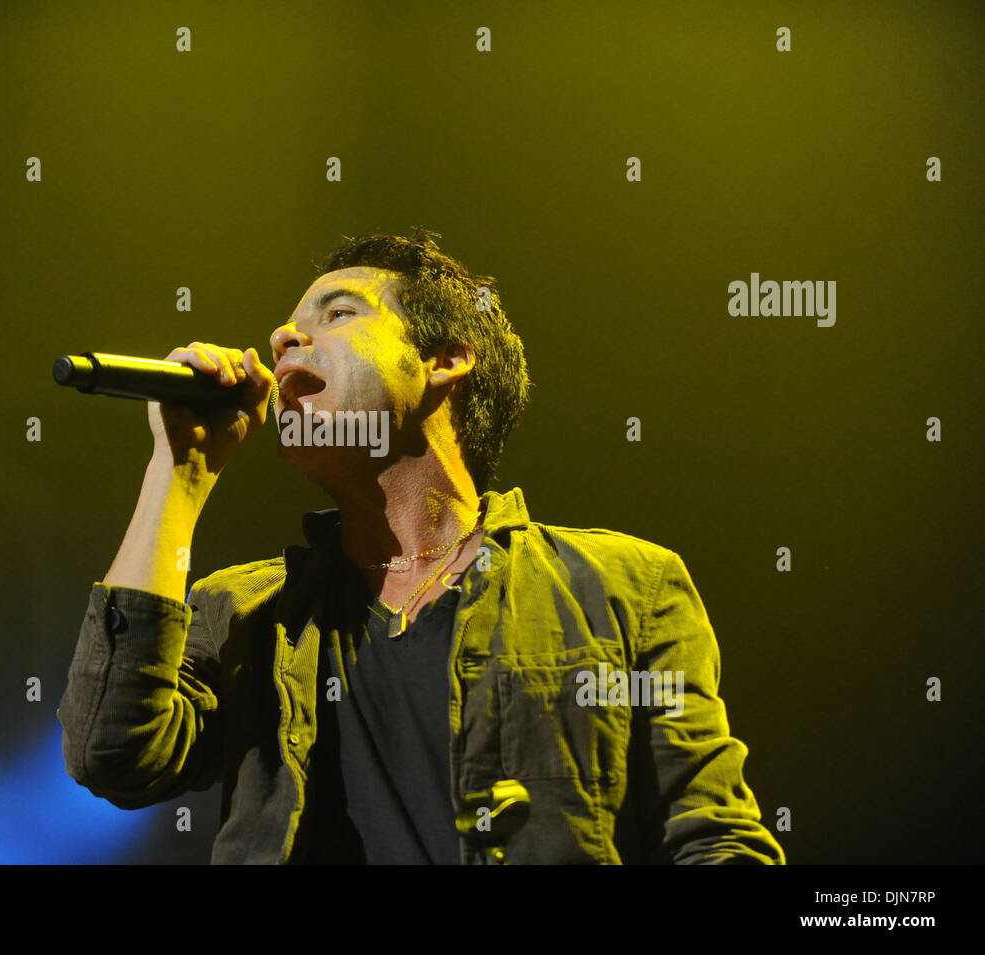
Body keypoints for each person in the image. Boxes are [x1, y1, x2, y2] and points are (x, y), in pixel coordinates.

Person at [57, 228, 786, 865]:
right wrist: (179, 473)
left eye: (336, 312)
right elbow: (113, 753)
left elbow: (714, 838)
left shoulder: (625, 587)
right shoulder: (245, 610)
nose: (281, 339)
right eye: (284, 326)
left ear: (445, 356)